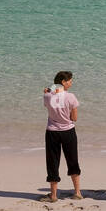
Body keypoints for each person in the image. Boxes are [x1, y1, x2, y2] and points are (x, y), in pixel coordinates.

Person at [41, 71, 82, 201]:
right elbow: (74, 118)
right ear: (63, 82)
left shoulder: (47, 96)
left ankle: (53, 195)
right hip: (68, 132)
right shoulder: (71, 97)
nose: (71, 83)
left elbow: (50, 91)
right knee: (72, 160)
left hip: (52, 132)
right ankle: (77, 193)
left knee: (53, 162)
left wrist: (50, 89)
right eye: (70, 81)